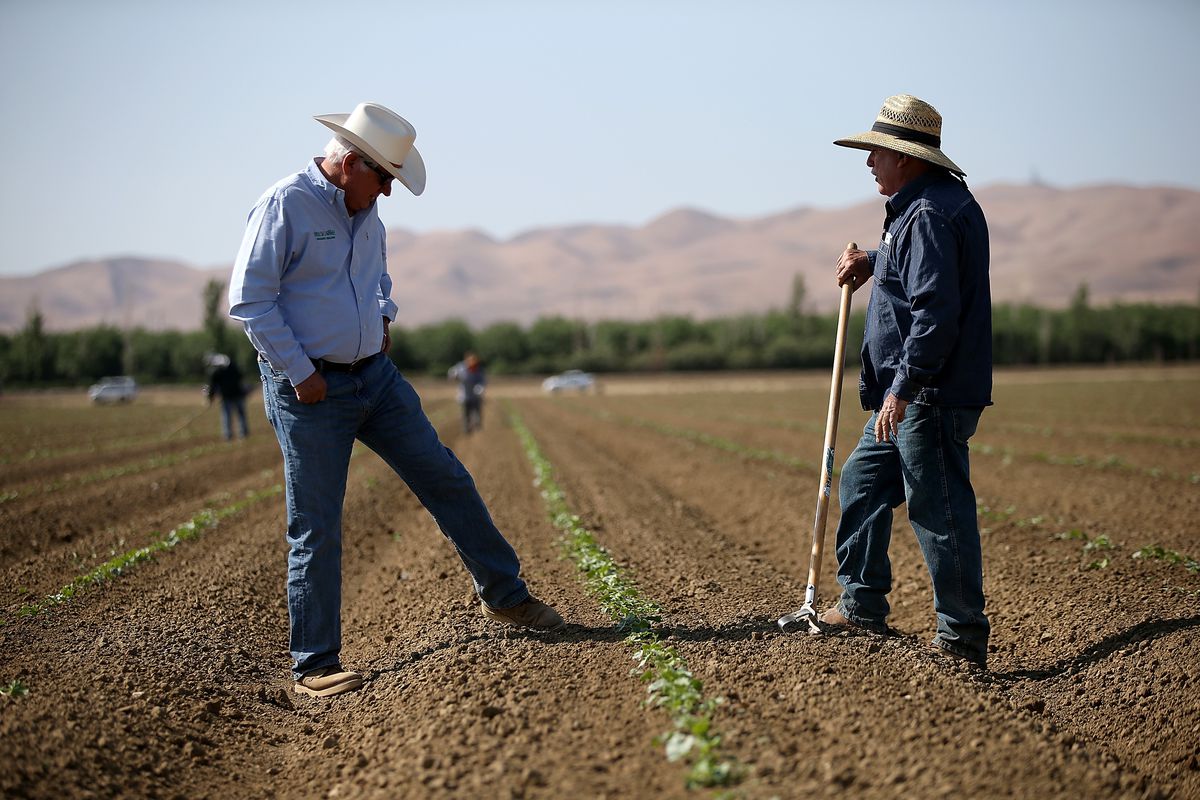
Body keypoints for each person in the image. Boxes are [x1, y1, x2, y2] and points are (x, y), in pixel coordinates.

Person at [228, 102, 563, 698]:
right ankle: (315, 665)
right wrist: (301, 372)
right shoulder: (286, 204)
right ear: (350, 163)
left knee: (445, 477)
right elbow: (251, 300)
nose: (387, 192)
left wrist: (383, 316)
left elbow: (379, 280)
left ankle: (506, 596)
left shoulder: (367, 213)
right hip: (311, 390)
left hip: (375, 378)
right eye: (384, 178)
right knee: (317, 523)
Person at [820, 94, 992, 669]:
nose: (869, 161)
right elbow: (916, 268)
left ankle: (961, 637)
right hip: (911, 393)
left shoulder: (930, 214)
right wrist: (873, 261)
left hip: (926, 394)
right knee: (862, 482)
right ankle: (861, 605)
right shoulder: (921, 209)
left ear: (907, 158)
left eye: (877, 152)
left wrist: (902, 387)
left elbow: (935, 312)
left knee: (938, 512)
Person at [205, 354, 249, 440]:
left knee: (227, 415)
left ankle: (228, 435)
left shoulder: (215, 371)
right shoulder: (233, 367)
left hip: (228, 396)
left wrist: (210, 398)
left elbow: (212, 386)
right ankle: (242, 433)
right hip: (237, 394)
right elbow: (241, 378)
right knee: (239, 414)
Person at [447, 351, 486, 434]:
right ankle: (466, 429)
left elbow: (483, 380)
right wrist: (454, 375)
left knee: (477, 413)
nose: (472, 363)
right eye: (471, 360)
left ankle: (477, 427)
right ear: (466, 360)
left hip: (476, 395)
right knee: (466, 413)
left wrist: (480, 387)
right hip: (464, 395)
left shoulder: (479, 369)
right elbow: (451, 373)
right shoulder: (460, 367)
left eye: (474, 361)